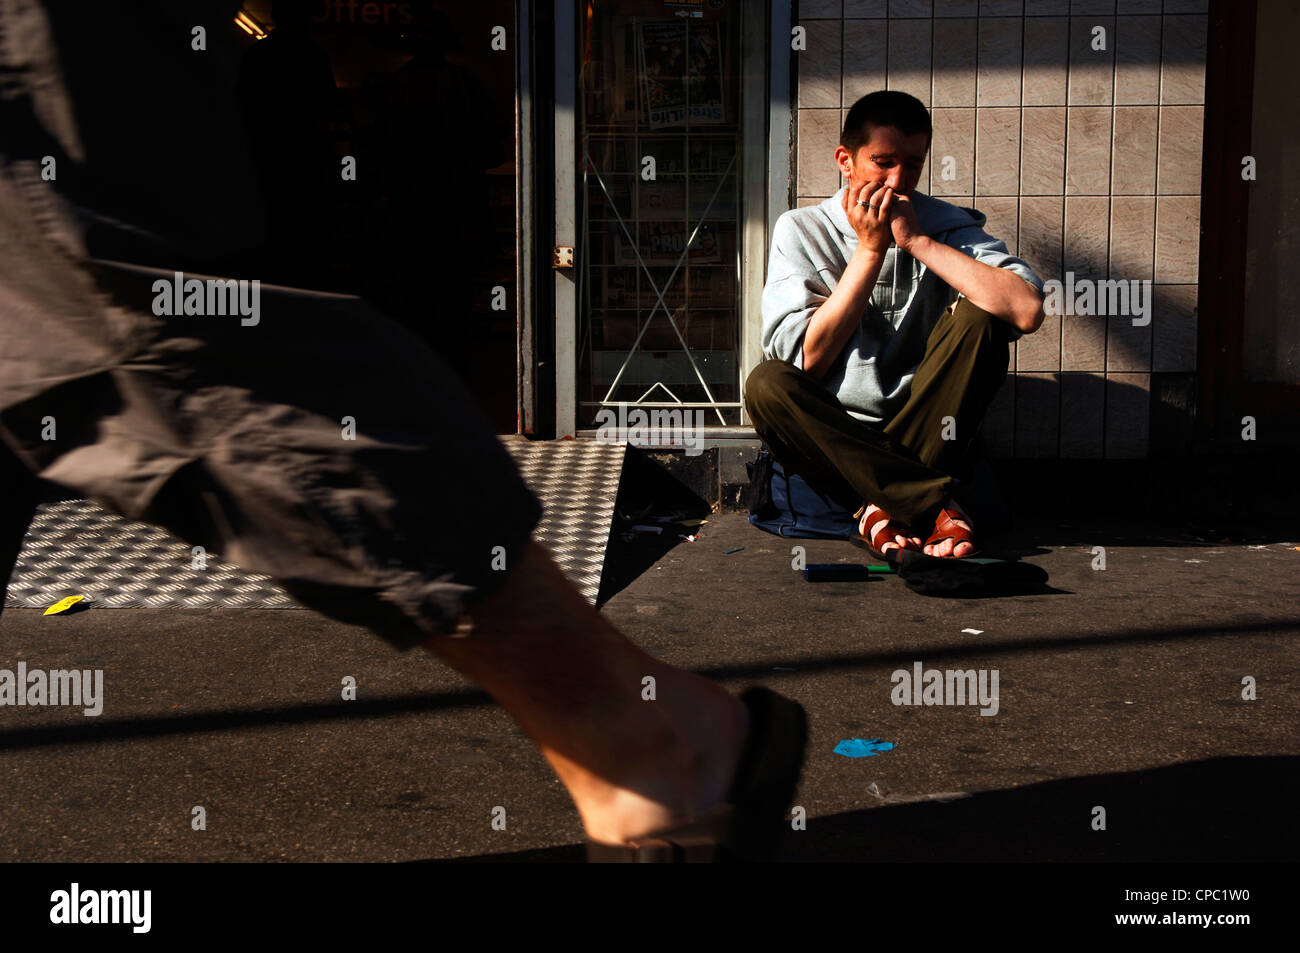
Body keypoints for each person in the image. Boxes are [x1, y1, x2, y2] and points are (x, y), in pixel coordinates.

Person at [0, 0, 805, 862]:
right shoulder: (440, 87)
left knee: (118, 319)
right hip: (426, 213)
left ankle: (646, 735)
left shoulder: (368, 85)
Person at [746, 90, 1045, 561]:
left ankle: (879, 506)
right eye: (882, 161)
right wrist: (869, 251)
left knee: (980, 316)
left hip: (925, 424)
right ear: (845, 160)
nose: (898, 180)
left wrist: (916, 241)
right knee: (767, 383)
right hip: (838, 427)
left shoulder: (945, 226)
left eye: (913, 163)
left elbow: (1025, 310)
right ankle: (929, 506)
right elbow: (807, 361)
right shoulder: (802, 229)